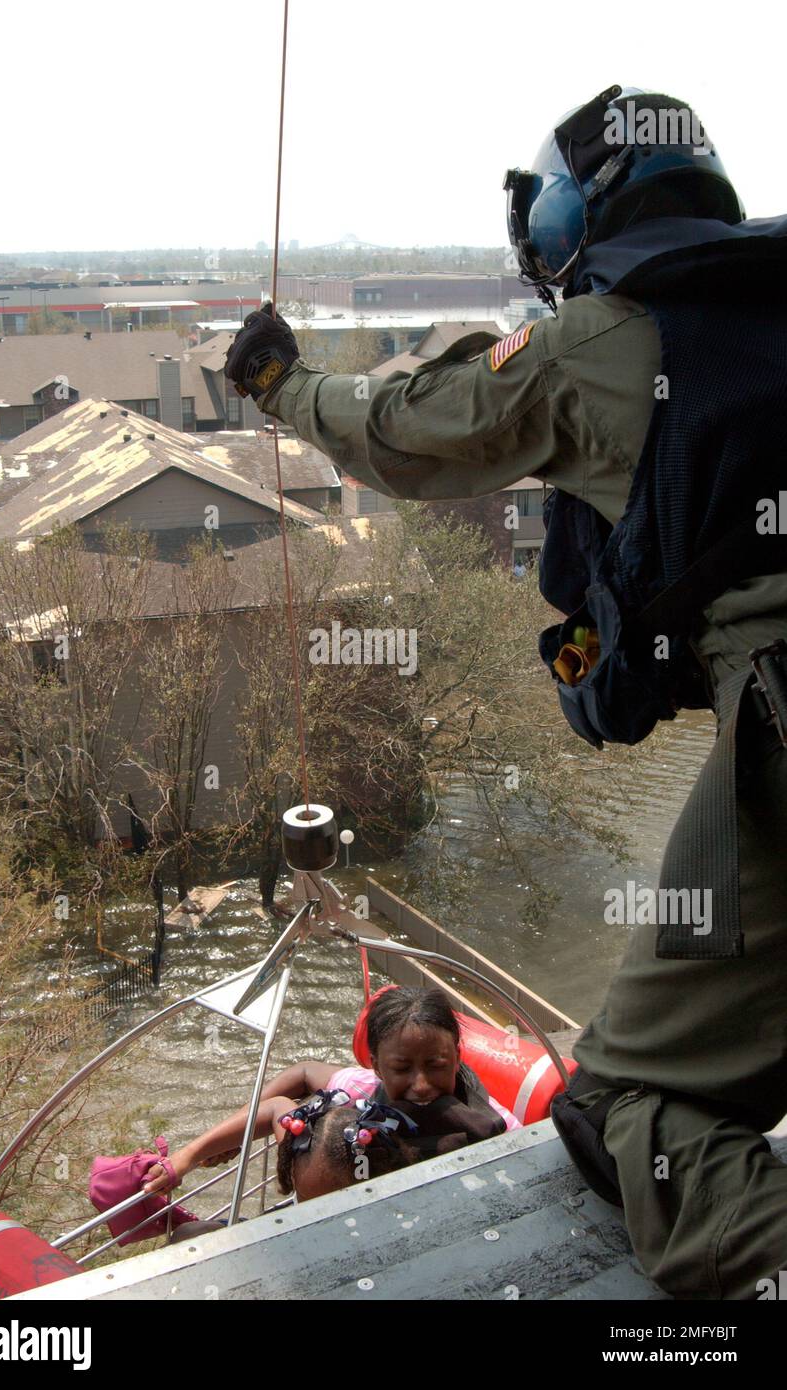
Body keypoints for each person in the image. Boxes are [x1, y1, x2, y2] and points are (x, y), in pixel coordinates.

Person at [224, 87, 787, 1299]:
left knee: (623, 1100)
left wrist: (279, 384)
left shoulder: (600, 337)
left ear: (572, 219)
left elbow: (411, 431)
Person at [144, 987, 517, 1199]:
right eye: (402, 1069)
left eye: (436, 1064)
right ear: (376, 1065)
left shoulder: (498, 1129)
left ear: (457, 1057)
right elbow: (302, 1073)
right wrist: (192, 1154)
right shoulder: (364, 1089)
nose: (421, 1085)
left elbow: (279, 1108)